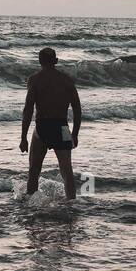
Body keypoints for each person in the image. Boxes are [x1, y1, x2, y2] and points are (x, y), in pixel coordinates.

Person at [19, 47, 82, 200]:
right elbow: (77, 109)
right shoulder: (67, 80)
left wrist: (23, 138)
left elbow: (28, 109)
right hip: (62, 127)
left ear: (40, 61)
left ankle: (30, 204)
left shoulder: (35, 79)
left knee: (34, 171)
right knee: (67, 172)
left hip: (42, 127)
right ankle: (71, 204)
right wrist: (75, 134)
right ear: (56, 61)